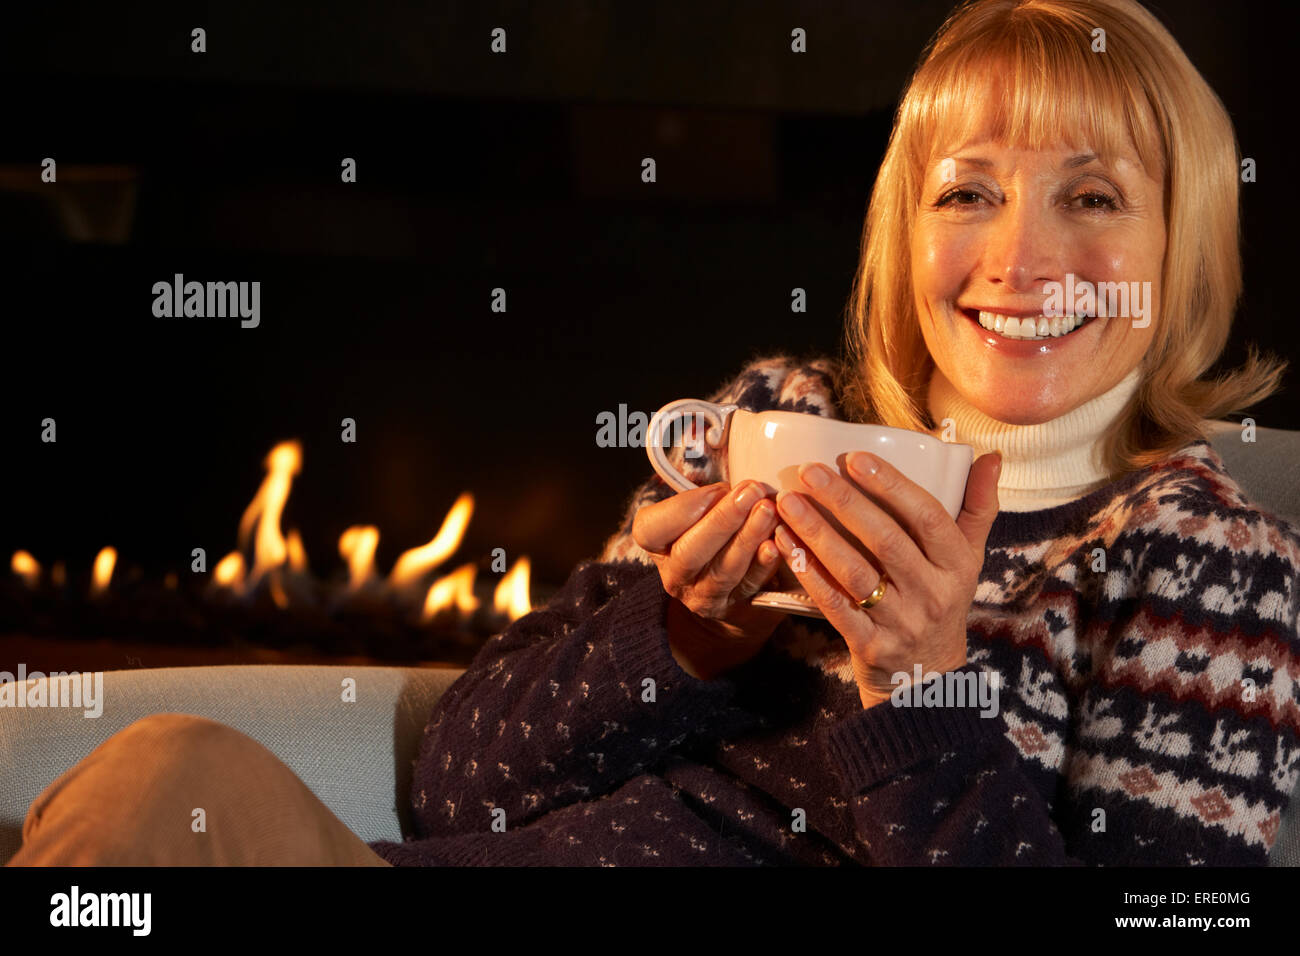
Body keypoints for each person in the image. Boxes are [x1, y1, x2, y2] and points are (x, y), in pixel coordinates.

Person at [8, 0, 1298, 867]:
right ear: (905, 237)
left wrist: (925, 685)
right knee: (160, 780)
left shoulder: (1209, 567)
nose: (1020, 258)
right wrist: (686, 636)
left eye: (1093, 195)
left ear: (1181, 251)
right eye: (967, 192)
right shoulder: (778, 419)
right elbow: (459, 783)